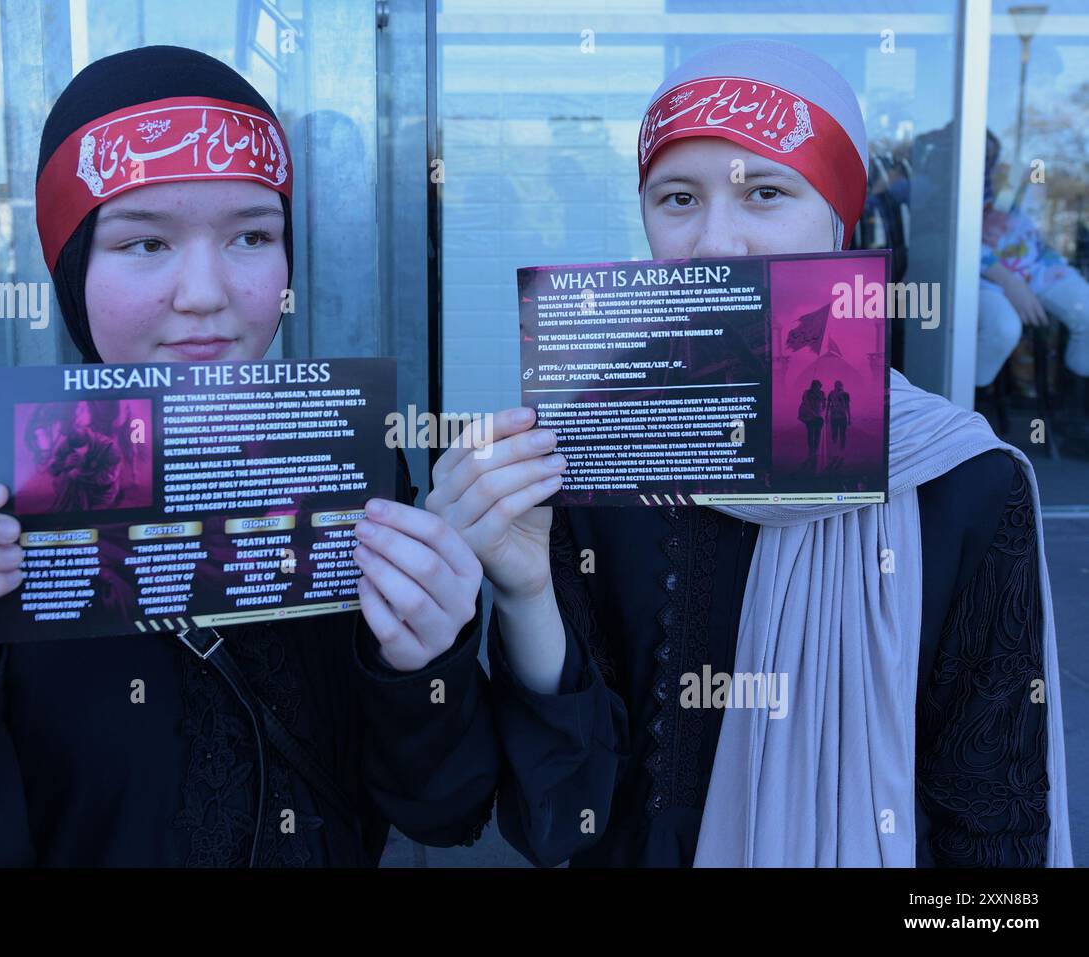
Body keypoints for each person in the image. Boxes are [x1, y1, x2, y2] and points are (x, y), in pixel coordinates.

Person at [0, 45, 498, 867]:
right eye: (145, 244)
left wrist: (428, 662)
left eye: (252, 234)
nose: (206, 293)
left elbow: (446, 807)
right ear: (71, 269)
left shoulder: (348, 484)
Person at [427, 40, 1072, 867]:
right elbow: (558, 819)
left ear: (842, 224)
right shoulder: (593, 459)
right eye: (677, 197)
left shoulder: (962, 481)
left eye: (765, 192)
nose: (715, 242)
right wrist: (522, 597)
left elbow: (993, 818)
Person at [976, 130, 1089, 393]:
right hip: (982, 274)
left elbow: (1034, 232)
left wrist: (1053, 259)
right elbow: (949, 243)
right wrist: (1010, 282)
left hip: (1035, 266)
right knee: (1003, 328)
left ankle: (1069, 398)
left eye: (992, 155)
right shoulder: (951, 187)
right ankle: (967, 400)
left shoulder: (1017, 184)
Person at [799, 379, 826, 459]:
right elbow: (805, 403)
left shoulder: (821, 393)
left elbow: (823, 405)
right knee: (810, 434)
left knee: (817, 434)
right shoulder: (807, 393)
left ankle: (815, 450)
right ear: (813, 386)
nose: (818, 388)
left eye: (818, 386)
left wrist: (822, 404)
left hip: (818, 417)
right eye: (816, 386)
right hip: (810, 417)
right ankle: (811, 450)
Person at [827, 380, 851, 450]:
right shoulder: (831, 394)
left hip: (843, 417)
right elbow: (828, 405)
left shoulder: (845, 394)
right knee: (834, 434)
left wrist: (849, 418)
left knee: (843, 434)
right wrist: (826, 416)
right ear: (835, 386)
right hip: (834, 417)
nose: (839, 387)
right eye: (838, 385)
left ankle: (842, 449)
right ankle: (835, 448)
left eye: (840, 385)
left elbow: (847, 406)